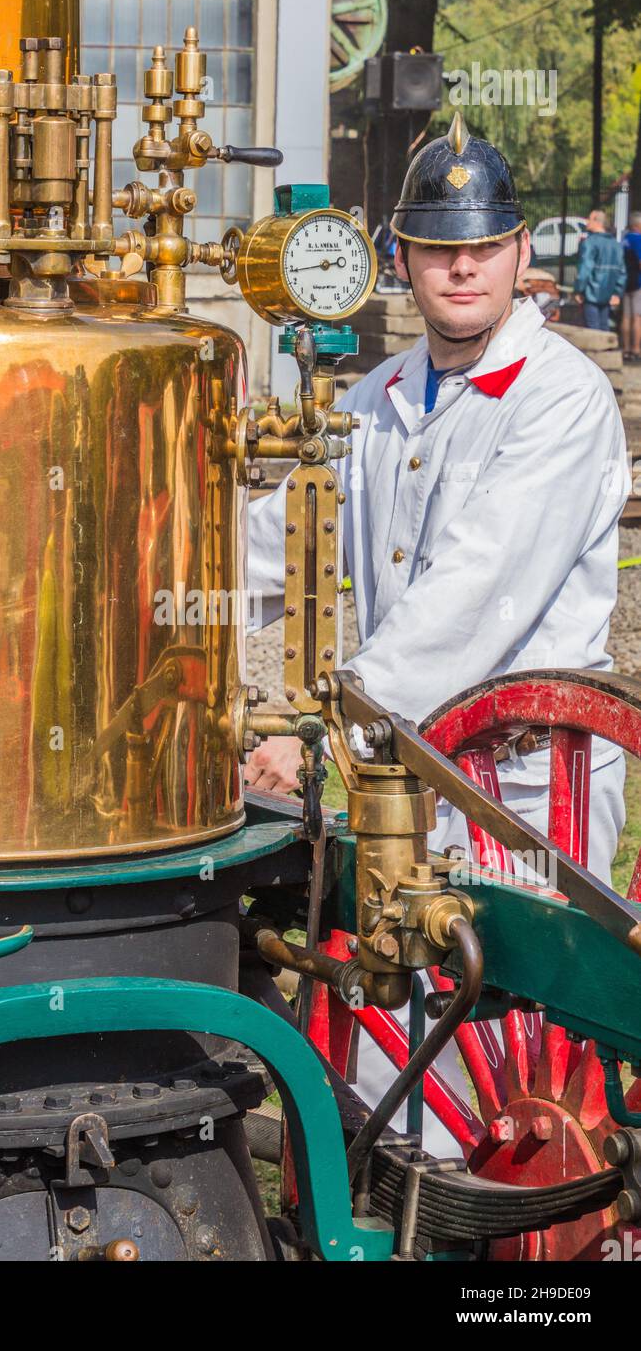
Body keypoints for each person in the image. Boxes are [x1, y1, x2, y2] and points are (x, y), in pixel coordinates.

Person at [245, 112, 630, 1157]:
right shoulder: (377, 401)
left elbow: (470, 600)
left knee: (503, 1041)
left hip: (519, 786)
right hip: (407, 770)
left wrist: (325, 732)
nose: (459, 269)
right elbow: (275, 545)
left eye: (481, 247)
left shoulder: (559, 396)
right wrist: (152, 600)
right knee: (391, 1021)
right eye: (435, 249)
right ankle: (389, 1200)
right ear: (400, 262)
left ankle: (511, 1247)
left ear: (517, 256)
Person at [575, 209, 626, 331]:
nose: (586, 221)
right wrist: (617, 292)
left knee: (592, 330)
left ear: (597, 222)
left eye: (589, 218)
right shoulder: (616, 244)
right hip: (608, 294)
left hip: (591, 294)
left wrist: (579, 290)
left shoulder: (590, 243)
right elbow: (622, 271)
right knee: (604, 327)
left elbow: (584, 270)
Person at [622, 211, 641, 362]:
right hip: (637, 283)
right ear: (637, 225)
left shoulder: (625, 238)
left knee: (626, 317)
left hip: (625, 282)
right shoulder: (638, 239)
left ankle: (626, 349)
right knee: (637, 317)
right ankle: (636, 349)